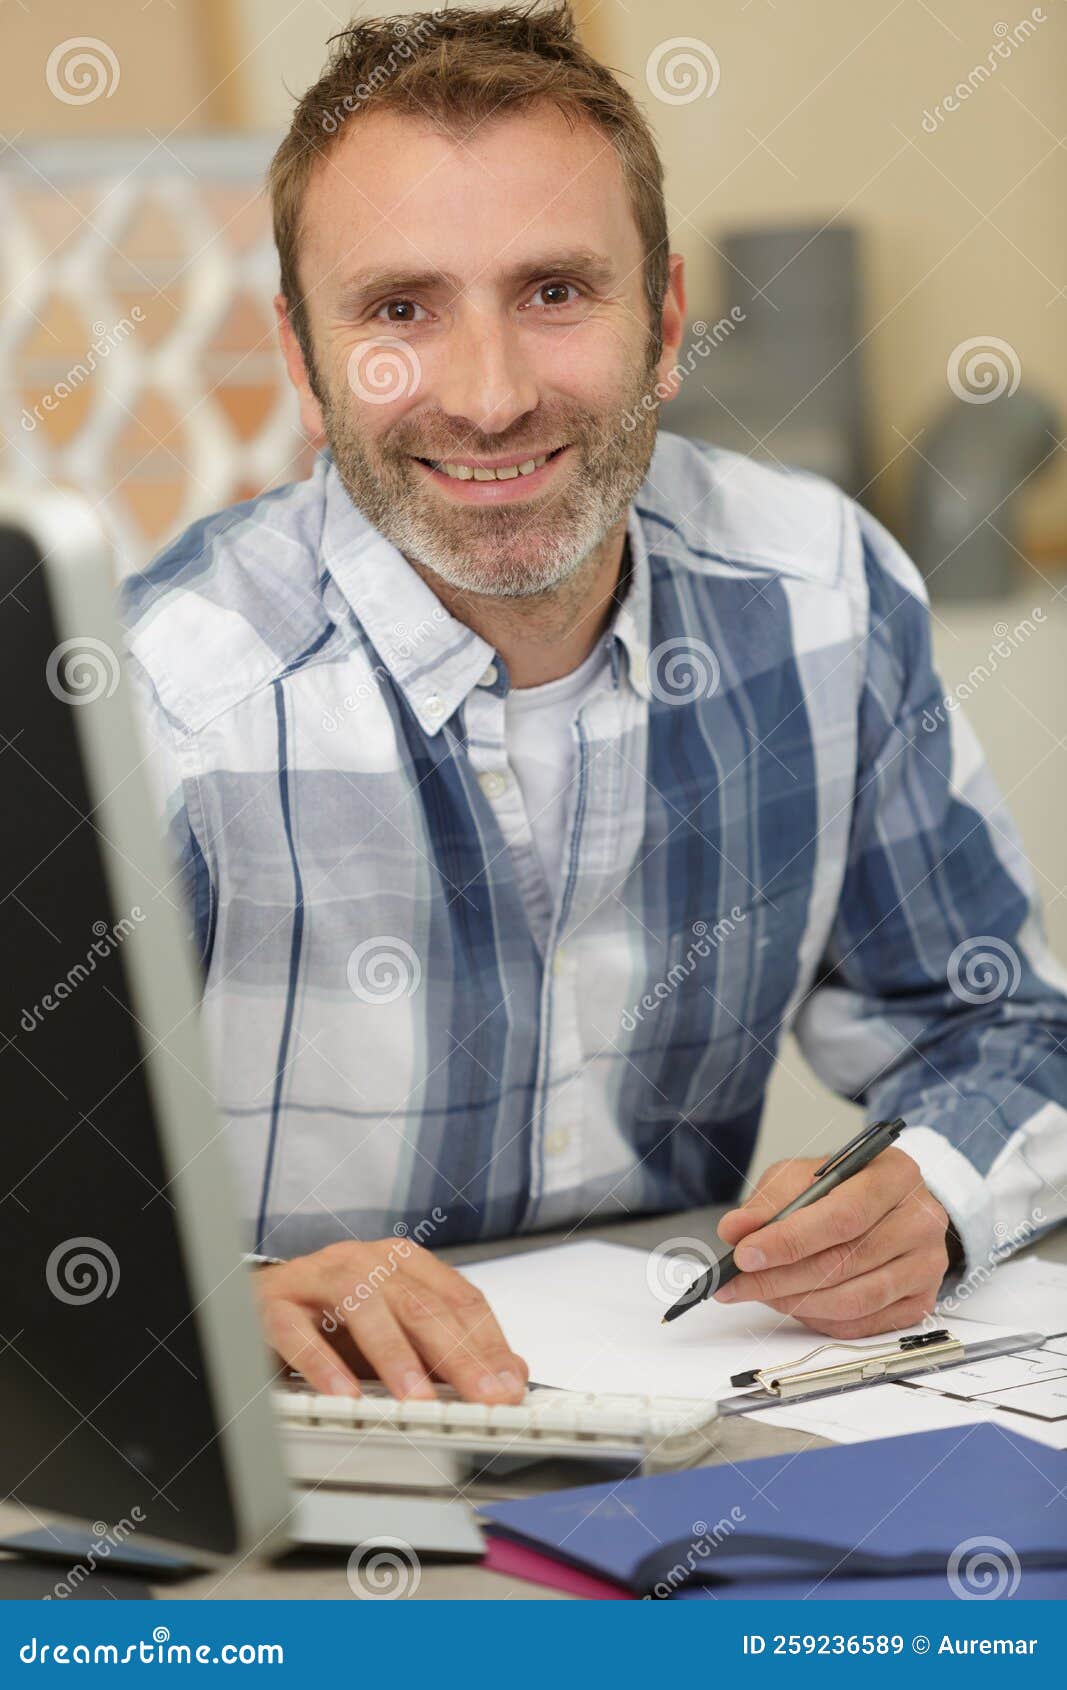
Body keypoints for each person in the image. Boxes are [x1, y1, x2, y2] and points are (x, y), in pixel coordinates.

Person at [120, 2, 1067, 1404]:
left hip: (693, 1438)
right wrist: (207, 1299)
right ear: (306, 365)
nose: (492, 396)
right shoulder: (158, 693)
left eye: (555, 291)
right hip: (290, 1478)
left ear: (666, 318)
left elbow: (1005, 1031)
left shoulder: (822, 594)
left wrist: (929, 1185)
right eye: (399, 310)